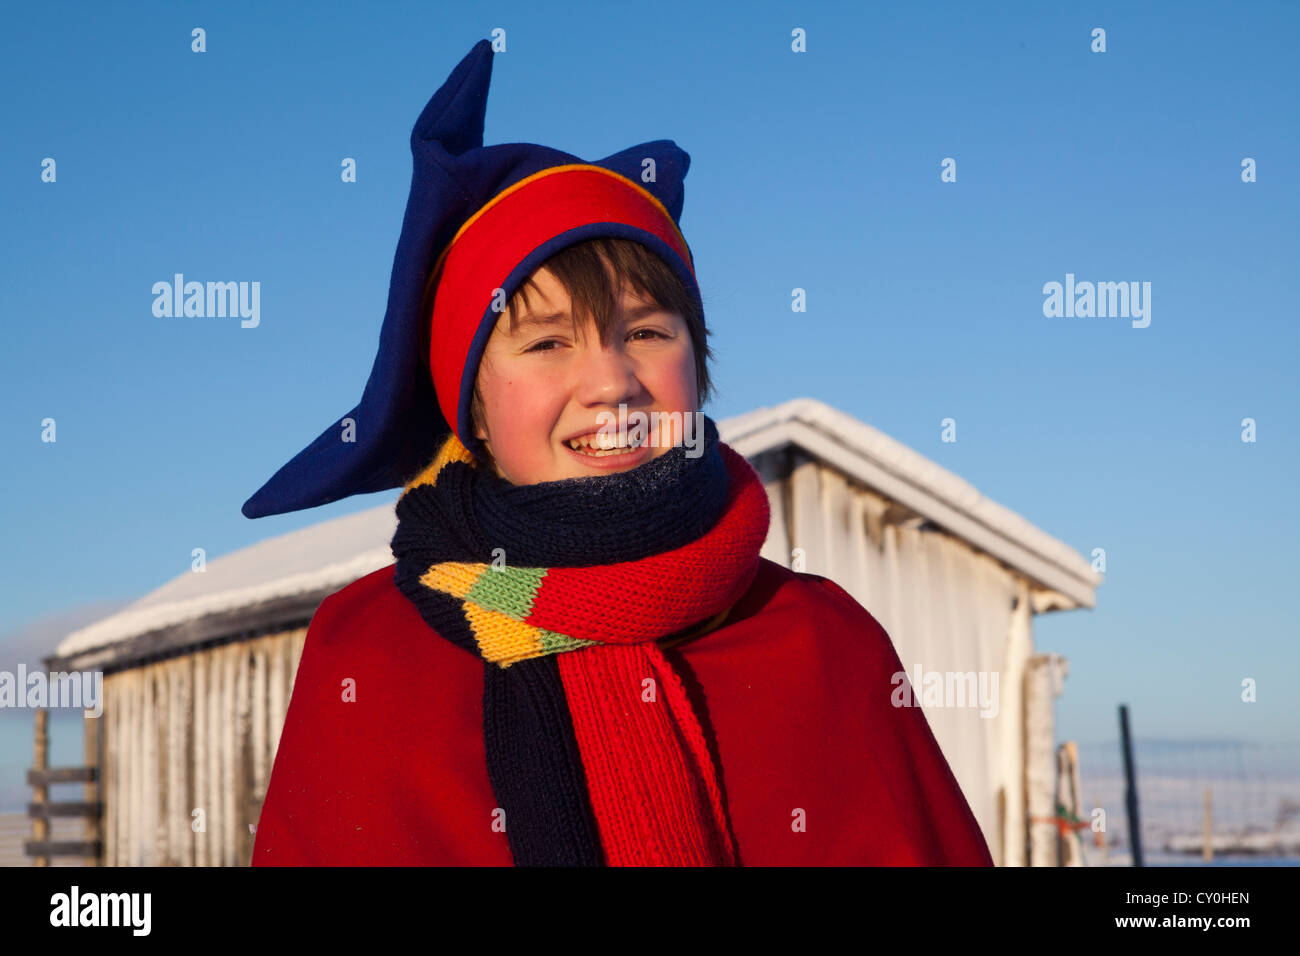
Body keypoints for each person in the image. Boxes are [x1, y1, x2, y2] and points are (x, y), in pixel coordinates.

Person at [245, 38, 993, 867]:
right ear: (474, 412)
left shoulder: (824, 644)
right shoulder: (369, 652)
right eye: (546, 343)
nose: (611, 383)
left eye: (644, 332)